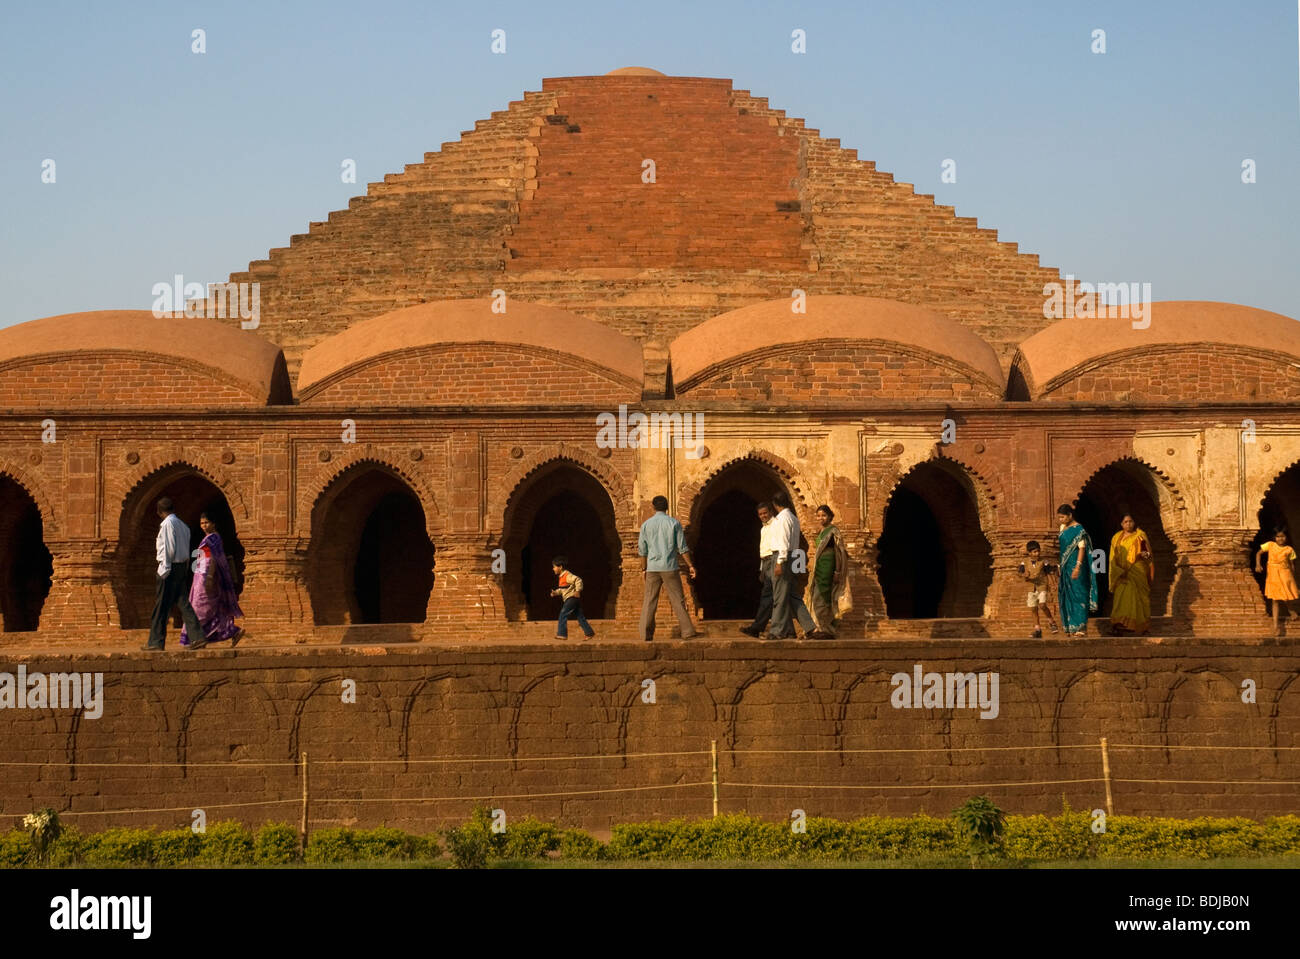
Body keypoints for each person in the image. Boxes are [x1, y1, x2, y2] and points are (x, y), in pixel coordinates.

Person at [144, 497, 207, 651]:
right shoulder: (183, 525)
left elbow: (168, 548)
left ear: (159, 512)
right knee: (183, 603)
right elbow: (185, 549)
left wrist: (163, 570)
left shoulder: (167, 524)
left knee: (161, 606)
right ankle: (198, 637)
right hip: (180, 566)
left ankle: (155, 642)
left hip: (169, 567)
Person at [638, 495, 698, 642]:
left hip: (652, 567)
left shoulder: (646, 525)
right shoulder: (674, 524)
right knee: (678, 599)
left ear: (653, 507)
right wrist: (690, 565)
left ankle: (645, 633)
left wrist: (643, 568)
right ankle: (687, 631)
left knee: (649, 600)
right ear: (667, 507)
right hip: (670, 566)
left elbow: (642, 550)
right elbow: (682, 548)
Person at [180, 511, 245, 647]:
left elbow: (213, 558)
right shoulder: (209, 538)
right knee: (210, 609)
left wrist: (209, 576)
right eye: (201, 523)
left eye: (206, 523)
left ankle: (197, 638)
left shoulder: (213, 538)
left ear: (213, 523)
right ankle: (231, 632)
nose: (204, 526)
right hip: (200, 575)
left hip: (206, 576)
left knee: (200, 608)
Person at [768, 490, 816, 640]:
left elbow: (783, 542)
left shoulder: (781, 519)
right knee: (792, 595)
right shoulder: (794, 518)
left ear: (775, 505)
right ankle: (806, 627)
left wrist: (779, 562)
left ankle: (776, 631)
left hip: (784, 556)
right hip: (795, 556)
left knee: (780, 596)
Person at [808, 504, 851, 638]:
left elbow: (839, 553)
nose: (821, 518)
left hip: (828, 568)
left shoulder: (833, 531)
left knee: (824, 597)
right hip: (819, 569)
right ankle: (820, 629)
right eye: (818, 515)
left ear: (830, 516)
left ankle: (827, 630)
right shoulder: (822, 532)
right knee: (816, 597)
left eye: (824, 515)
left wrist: (837, 572)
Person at [1108, 514, 1153, 636]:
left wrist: (1145, 555)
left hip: (1137, 570)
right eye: (1125, 522)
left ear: (1134, 523)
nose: (1128, 524)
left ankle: (1142, 627)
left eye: (1130, 521)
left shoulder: (1140, 536)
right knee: (1121, 598)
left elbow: (1148, 555)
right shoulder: (1116, 538)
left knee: (1139, 598)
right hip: (1121, 573)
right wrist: (1118, 571)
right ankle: (1119, 625)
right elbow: (1113, 556)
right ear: (1121, 524)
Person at [1056, 504, 1097, 637]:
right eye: (1059, 517)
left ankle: (1081, 627)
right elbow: (1062, 549)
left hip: (1077, 566)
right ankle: (1070, 626)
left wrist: (1078, 567)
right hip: (1065, 567)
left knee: (1079, 593)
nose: (1060, 520)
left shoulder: (1079, 530)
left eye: (1062, 517)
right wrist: (1059, 566)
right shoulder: (1062, 528)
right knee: (1067, 595)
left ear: (1070, 515)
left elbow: (1082, 549)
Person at [739, 502, 776, 638]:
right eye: (760, 514)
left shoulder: (776, 525)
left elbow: (780, 547)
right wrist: (762, 569)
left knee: (773, 596)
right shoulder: (763, 528)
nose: (763, 516)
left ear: (771, 511)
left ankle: (758, 627)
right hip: (766, 563)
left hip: (774, 561)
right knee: (774, 596)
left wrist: (779, 563)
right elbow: (763, 549)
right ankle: (760, 627)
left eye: (765, 513)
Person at [1256, 528, 1300, 636]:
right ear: (1274, 538)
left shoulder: (1289, 549)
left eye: (1283, 536)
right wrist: (1258, 564)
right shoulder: (1270, 545)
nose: (1280, 539)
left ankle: (1291, 610)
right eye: (1278, 537)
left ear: (1286, 538)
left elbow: (1292, 565)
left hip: (1286, 573)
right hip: (1273, 574)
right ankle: (1276, 626)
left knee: (1286, 594)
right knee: (1275, 599)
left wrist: (1293, 578)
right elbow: (1258, 553)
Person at [550, 554, 596, 640]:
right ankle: (589, 633)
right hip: (572, 598)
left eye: (554, 567)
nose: (553, 569)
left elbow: (578, 580)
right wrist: (555, 593)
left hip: (571, 598)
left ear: (560, 567)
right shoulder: (562, 577)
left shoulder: (567, 575)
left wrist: (578, 591)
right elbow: (563, 589)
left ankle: (562, 634)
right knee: (579, 616)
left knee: (563, 614)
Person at [1019, 540, 1059, 638]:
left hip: (1042, 586)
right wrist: (1024, 575)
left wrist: (1053, 584)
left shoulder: (1044, 562)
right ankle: (1037, 630)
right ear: (1029, 553)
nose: (1037, 554)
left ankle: (1052, 622)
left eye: (1038, 551)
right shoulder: (1024, 562)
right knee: (1033, 609)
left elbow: (1049, 573)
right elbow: (1020, 573)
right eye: (1034, 552)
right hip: (1031, 588)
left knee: (1042, 605)